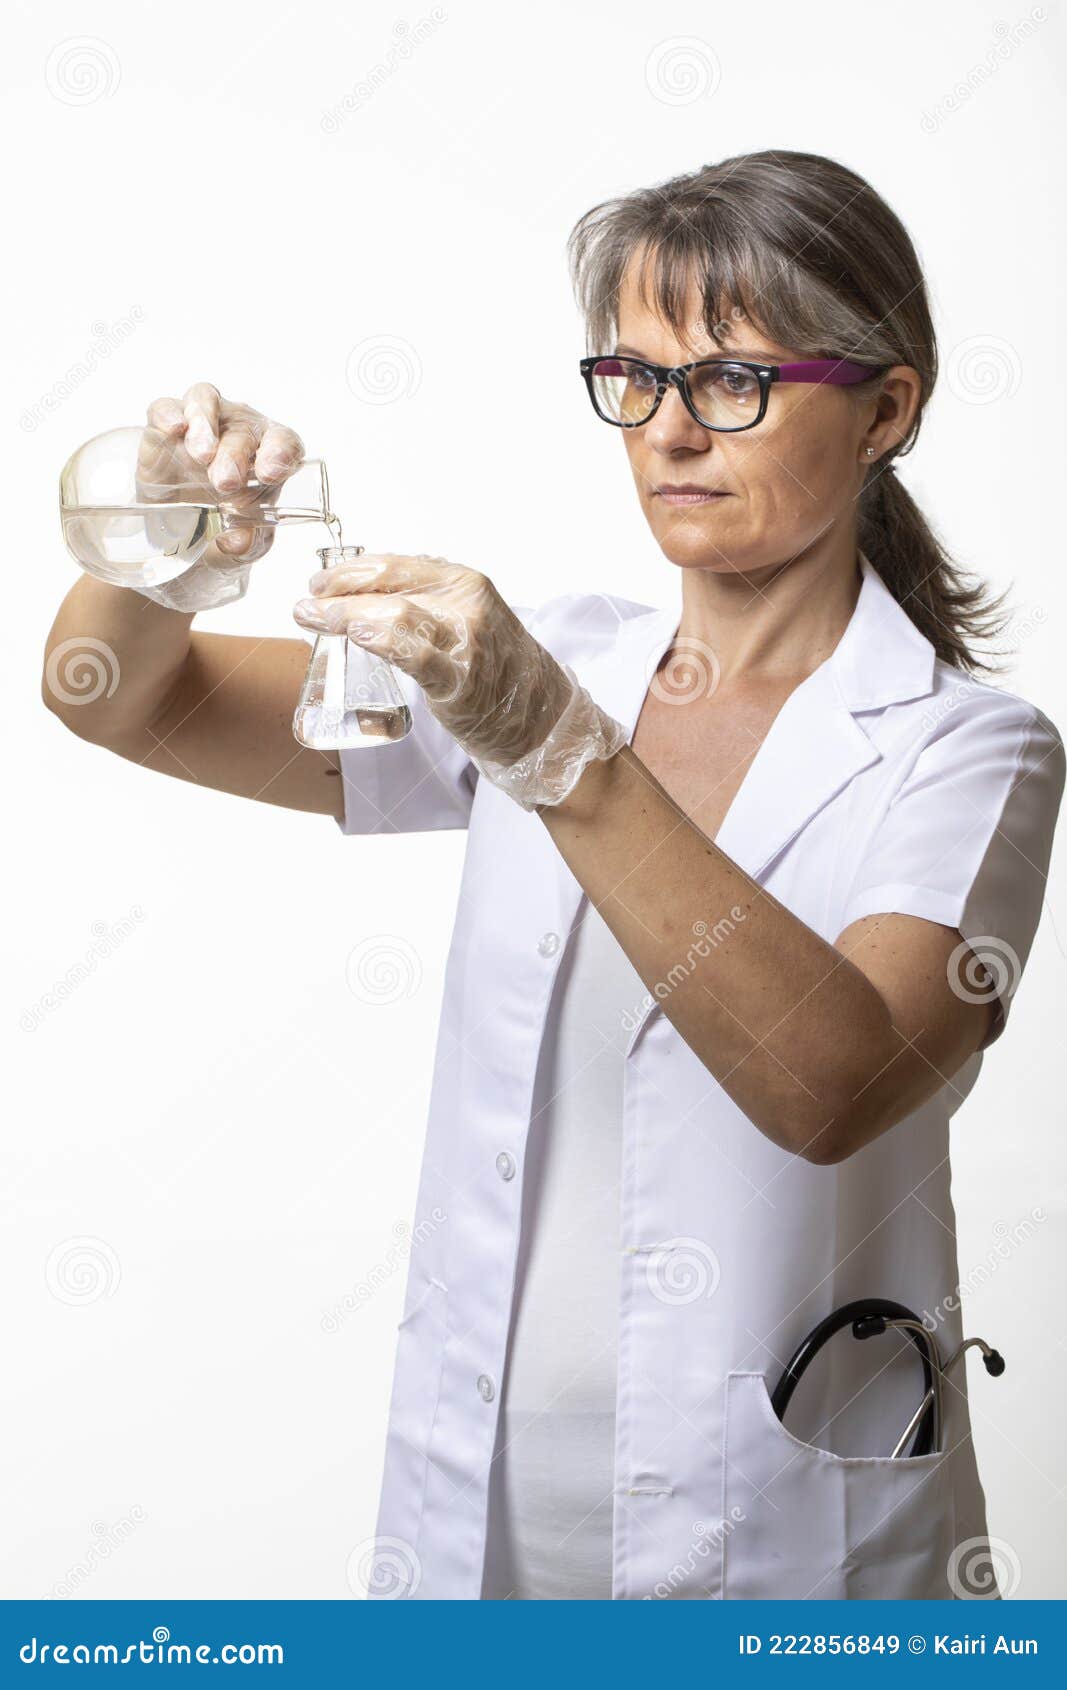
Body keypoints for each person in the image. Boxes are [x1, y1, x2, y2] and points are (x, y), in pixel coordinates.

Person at [43, 149, 1064, 1601]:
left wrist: (556, 749)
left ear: (887, 409)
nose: (670, 433)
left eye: (733, 381)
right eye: (635, 380)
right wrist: (173, 538)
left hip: (786, 1557)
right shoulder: (562, 659)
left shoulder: (967, 751)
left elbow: (831, 1086)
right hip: (477, 1527)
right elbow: (117, 696)